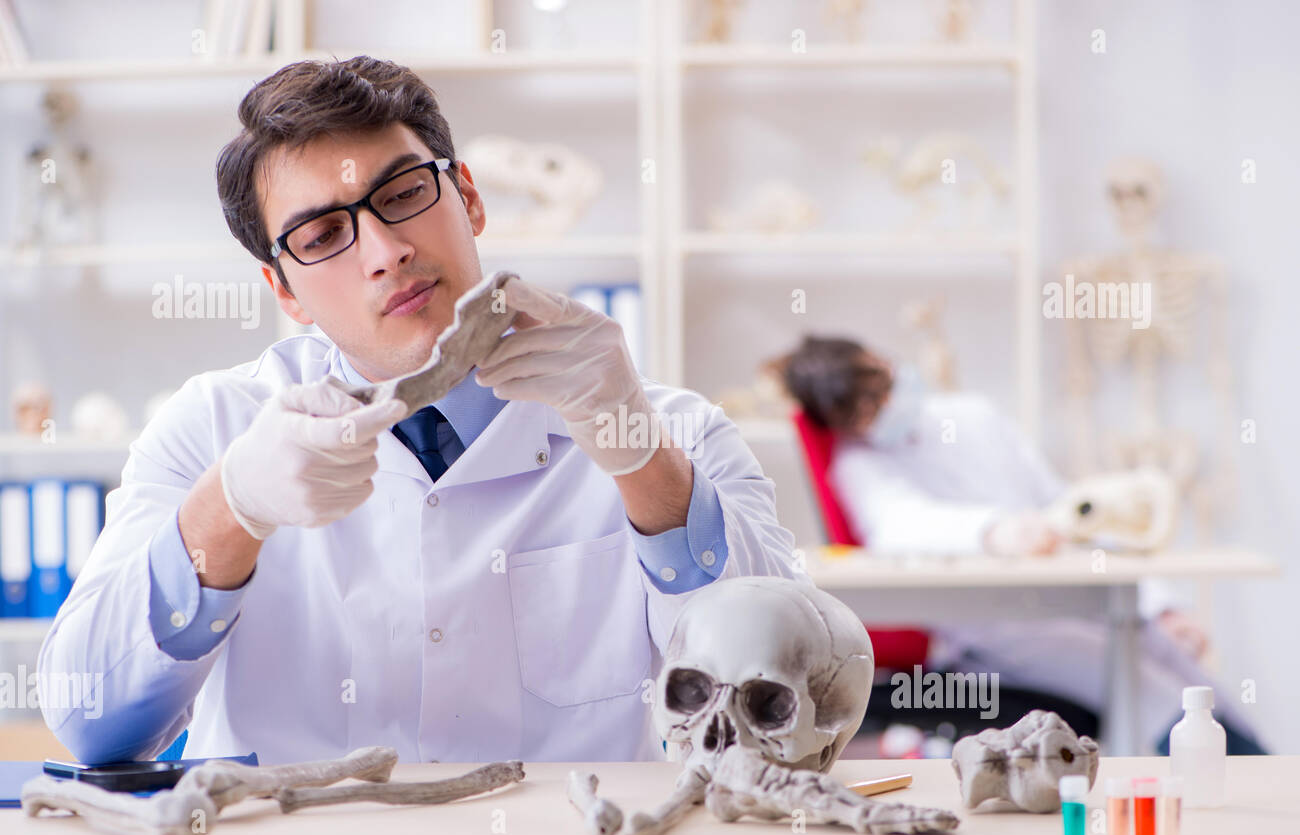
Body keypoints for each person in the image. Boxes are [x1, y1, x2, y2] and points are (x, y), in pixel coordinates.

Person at [38, 57, 805, 766]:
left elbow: (791, 711)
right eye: (323, 234)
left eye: (404, 194)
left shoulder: (680, 431)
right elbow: (91, 721)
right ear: (284, 292)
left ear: (467, 197)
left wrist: (644, 462)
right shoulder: (211, 429)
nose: (384, 250)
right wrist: (229, 510)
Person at [776, 334, 1266, 754]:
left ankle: (1269, 786)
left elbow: (1064, 504)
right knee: (1150, 690)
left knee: (1185, 669)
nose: (882, 409)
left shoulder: (973, 415)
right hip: (998, 630)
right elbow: (899, 526)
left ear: (883, 363)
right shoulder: (858, 464)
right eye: (862, 410)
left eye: (879, 387)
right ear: (837, 419)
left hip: (1077, 596)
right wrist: (994, 531)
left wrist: (1161, 607)